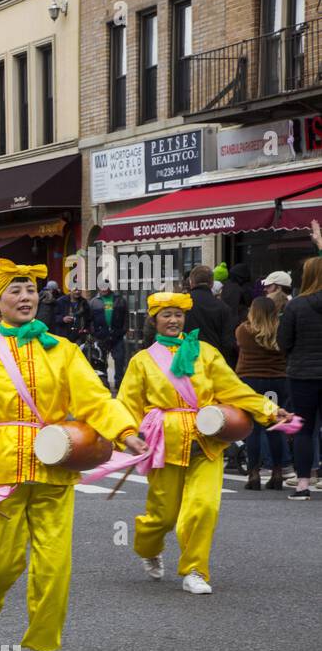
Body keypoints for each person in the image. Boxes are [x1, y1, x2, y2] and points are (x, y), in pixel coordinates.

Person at [0, 259, 147, 651]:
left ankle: (41, 648)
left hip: (54, 465)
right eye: (15, 291)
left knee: (54, 563)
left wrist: (125, 432)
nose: (25, 297)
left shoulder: (63, 349)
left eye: (31, 291)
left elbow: (94, 398)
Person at [119, 291, 290, 592]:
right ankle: (148, 548)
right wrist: (127, 435)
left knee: (203, 507)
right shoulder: (141, 361)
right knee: (161, 516)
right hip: (164, 444)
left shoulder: (206, 353)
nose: (173, 320)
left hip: (207, 440)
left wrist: (270, 410)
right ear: (154, 320)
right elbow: (127, 404)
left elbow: (234, 389)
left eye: (178, 315)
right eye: (166, 315)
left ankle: (195, 570)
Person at [278, 249, 322, 501]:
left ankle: (303, 484)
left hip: (302, 373)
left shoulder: (296, 305)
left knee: (304, 429)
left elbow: (283, 341)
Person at [236, 296, 290, 491]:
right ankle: (277, 472)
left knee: (252, 428)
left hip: (250, 382)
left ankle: (254, 473)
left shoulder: (243, 330)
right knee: (273, 425)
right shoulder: (281, 330)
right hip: (276, 381)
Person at [183, 264, 237, 366]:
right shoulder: (223, 308)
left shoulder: (181, 305)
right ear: (212, 283)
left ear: (191, 282)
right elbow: (228, 343)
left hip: (186, 362)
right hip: (213, 363)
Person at [95, 282, 131, 390]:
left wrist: (123, 330)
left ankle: (119, 385)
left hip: (117, 336)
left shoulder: (120, 300)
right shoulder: (94, 302)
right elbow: (90, 319)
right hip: (101, 336)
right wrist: (95, 333)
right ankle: (104, 385)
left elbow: (126, 317)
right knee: (101, 362)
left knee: (119, 361)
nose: (104, 289)